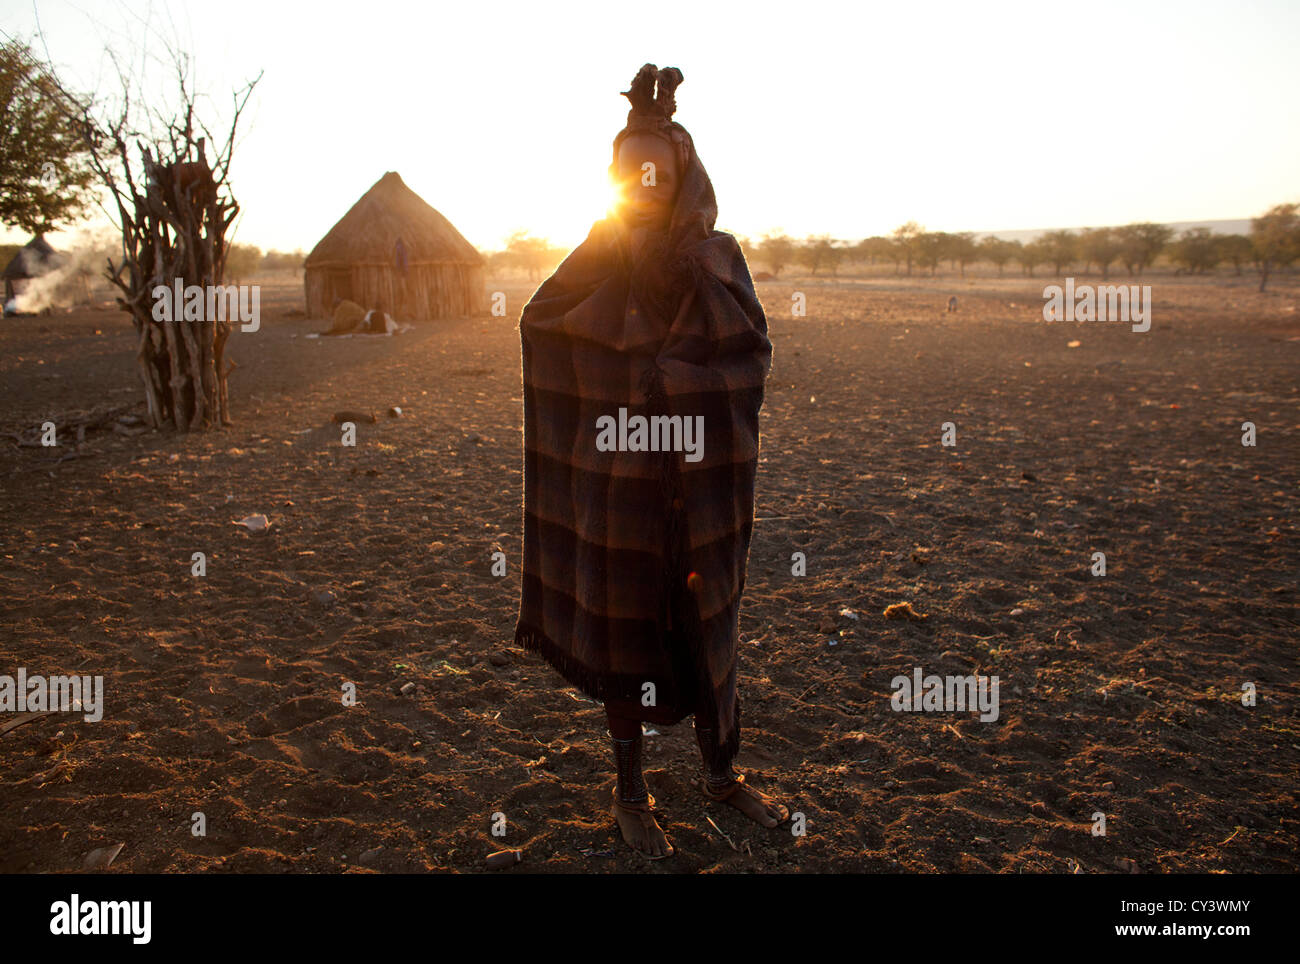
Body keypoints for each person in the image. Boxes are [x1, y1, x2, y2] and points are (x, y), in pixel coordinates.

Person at [515, 63, 786, 859]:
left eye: (657, 173)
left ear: (681, 178)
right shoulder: (597, 257)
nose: (642, 184)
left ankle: (720, 773)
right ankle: (630, 790)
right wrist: (628, 386)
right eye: (629, 172)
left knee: (709, 627)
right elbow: (542, 325)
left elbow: (751, 355)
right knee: (623, 629)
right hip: (620, 480)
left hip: (703, 484)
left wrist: (677, 382)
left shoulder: (718, 257)